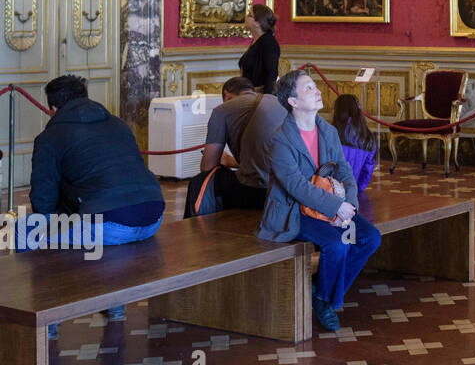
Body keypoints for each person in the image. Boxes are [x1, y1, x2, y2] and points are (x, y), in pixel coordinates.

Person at [27, 75, 166, 336]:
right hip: (153, 216)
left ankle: (47, 323)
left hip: (111, 224)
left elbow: (42, 202)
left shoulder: (50, 136)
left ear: (52, 108)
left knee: (29, 233)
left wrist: (52, 223)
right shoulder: (118, 124)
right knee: (95, 230)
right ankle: (115, 307)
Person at [261, 70, 382, 332]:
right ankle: (326, 301)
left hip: (331, 209)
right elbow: (296, 186)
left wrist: (349, 207)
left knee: (369, 237)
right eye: (309, 89)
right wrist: (336, 208)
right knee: (337, 244)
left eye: (315, 87)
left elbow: (345, 171)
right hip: (295, 212)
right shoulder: (280, 140)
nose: (317, 92)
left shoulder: (326, 130)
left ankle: (320, 291)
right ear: (292, 101)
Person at [199, 75, 287, 209]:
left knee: (199, 183)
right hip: (290, 186)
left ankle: (206, 226)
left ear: (226, 95)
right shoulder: (278, 101)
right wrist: (232, 162)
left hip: (259, 190)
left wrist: (225, 161)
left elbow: (207, 168)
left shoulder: (221, 110)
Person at [331, 93, 378, 191]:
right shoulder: (368, 136)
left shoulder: (330, 133)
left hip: (331, 188)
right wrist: (359, 188)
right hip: (353, 187)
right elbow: (368, 168)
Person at [238, 4, 280, 94]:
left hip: (259, 97)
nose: (246, 16)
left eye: (250, 15)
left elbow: (271, 74)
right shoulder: (257, 40)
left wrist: (265, 99)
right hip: (250, 95)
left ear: (257, 23)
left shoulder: (269, 42)